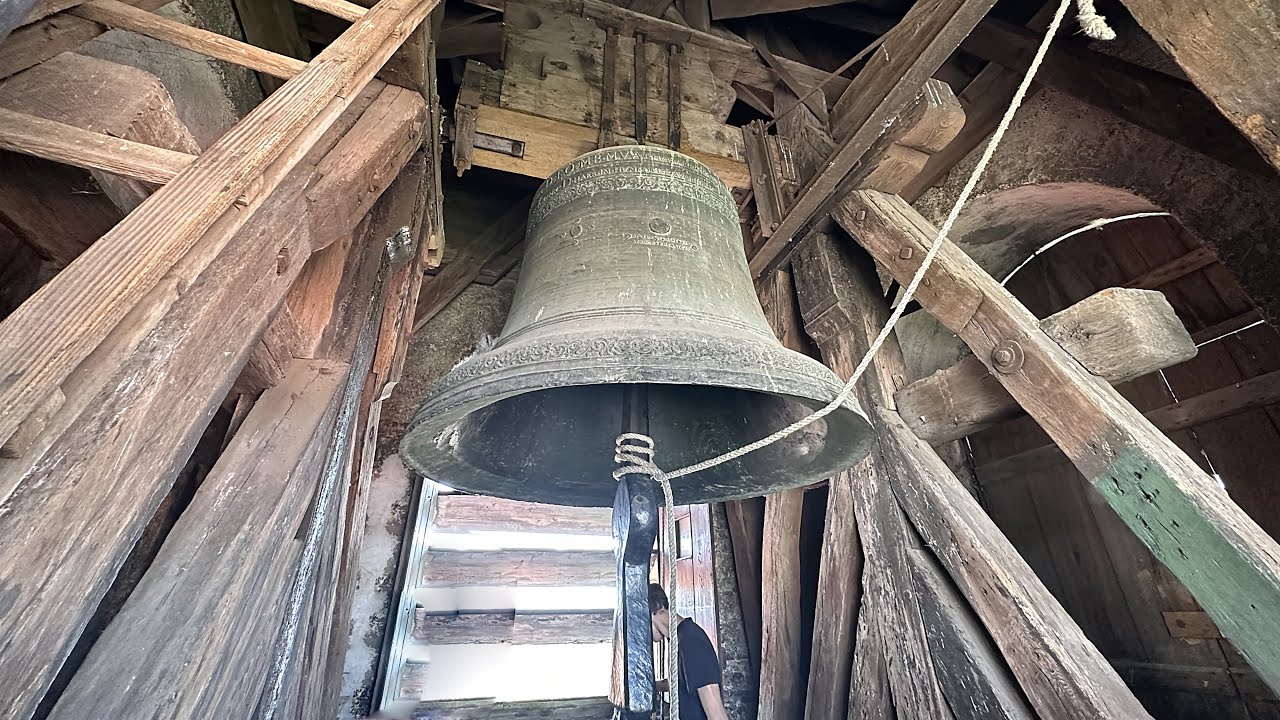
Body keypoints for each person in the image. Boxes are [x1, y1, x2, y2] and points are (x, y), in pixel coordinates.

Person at [649, 583, 730, 720]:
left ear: (653, 611)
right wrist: (652, 685)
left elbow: (717, 716)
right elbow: (681, 683)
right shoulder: (679, 639)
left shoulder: (692, 642)